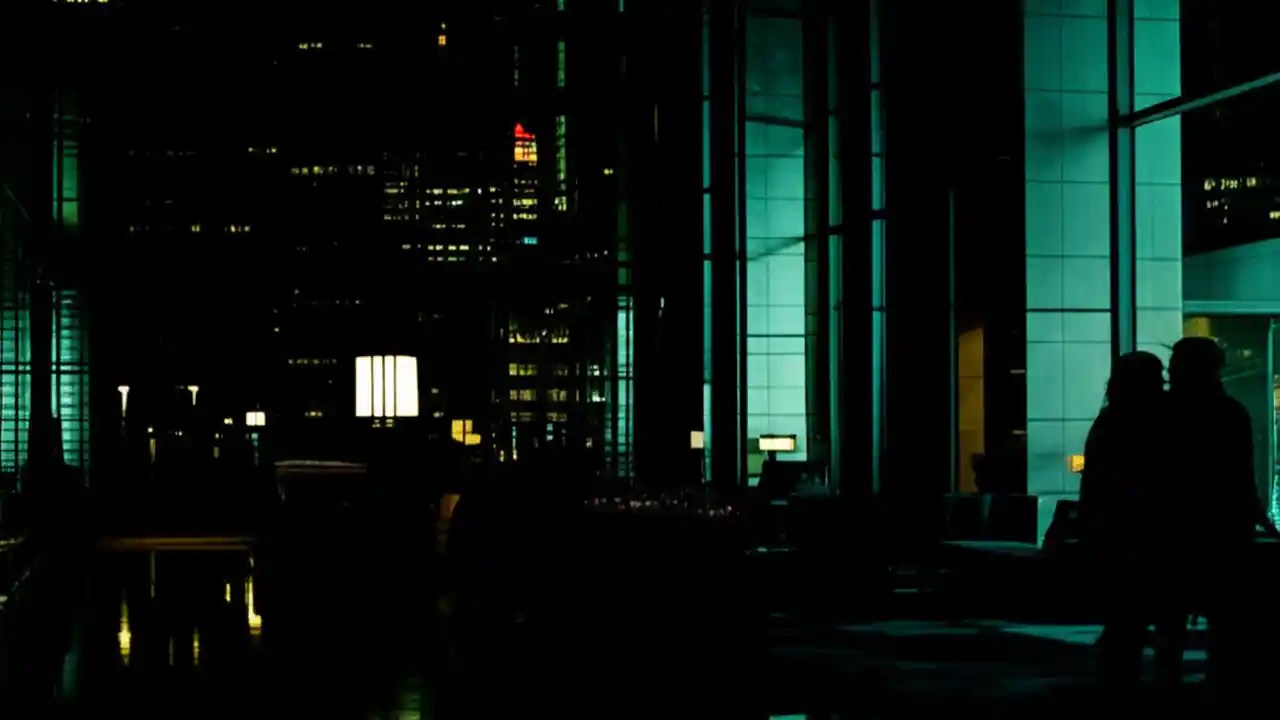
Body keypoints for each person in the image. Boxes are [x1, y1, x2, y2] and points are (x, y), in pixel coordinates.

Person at [1167, 337, 1275, 695]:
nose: (1171, 370)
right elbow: (1241, 475)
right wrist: (1257, 515)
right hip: (1224, 529)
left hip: (1175, 529)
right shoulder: (1231, 414)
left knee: (1171, 618)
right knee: (1226, 619)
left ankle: (1168, 682)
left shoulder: (1165, 415)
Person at [1078, 350, 1174, 691]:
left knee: (1125, 612)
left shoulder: (1110, 421)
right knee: (1163, 609)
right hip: (1161, 527)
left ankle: (1121, 675)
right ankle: (1162, 671)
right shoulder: (1169, 417)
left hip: (1117, 527)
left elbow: (1093, 480)